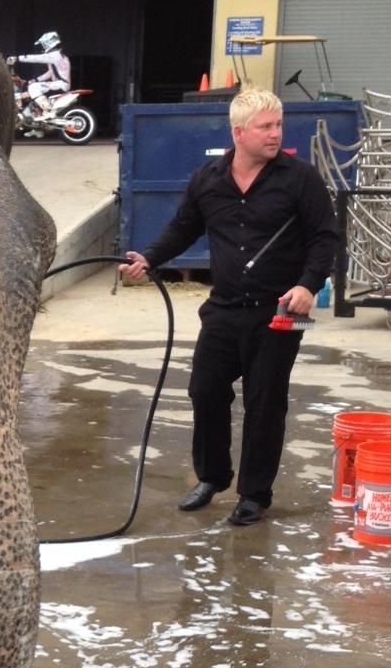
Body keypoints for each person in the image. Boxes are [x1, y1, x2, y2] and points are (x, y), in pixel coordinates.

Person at [119, 87, 338, 527]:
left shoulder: (300, 179)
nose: (275, 134)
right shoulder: (208, 179)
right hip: (223, 307)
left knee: (265, 402)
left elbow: (325, 236)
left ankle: (255, 494)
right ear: (239, 133)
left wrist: (308, 285)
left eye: (278, 125)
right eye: (265, 127)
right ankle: (212, 476)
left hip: (281, 311)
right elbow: (183, 228)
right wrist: (149, 259)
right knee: (204, 390)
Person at [9, 31, 71, 118]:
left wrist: (17, 58)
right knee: (28, 93)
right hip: (60, 85)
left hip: (60, 84)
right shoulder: (61, 56)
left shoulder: (54, 55)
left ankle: (48, 110)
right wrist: (35, 80)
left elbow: (35, 58)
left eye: (43, 44)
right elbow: (50, 73)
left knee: (33, 87)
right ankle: (35, 115)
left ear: (49, 43)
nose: (43, 47)